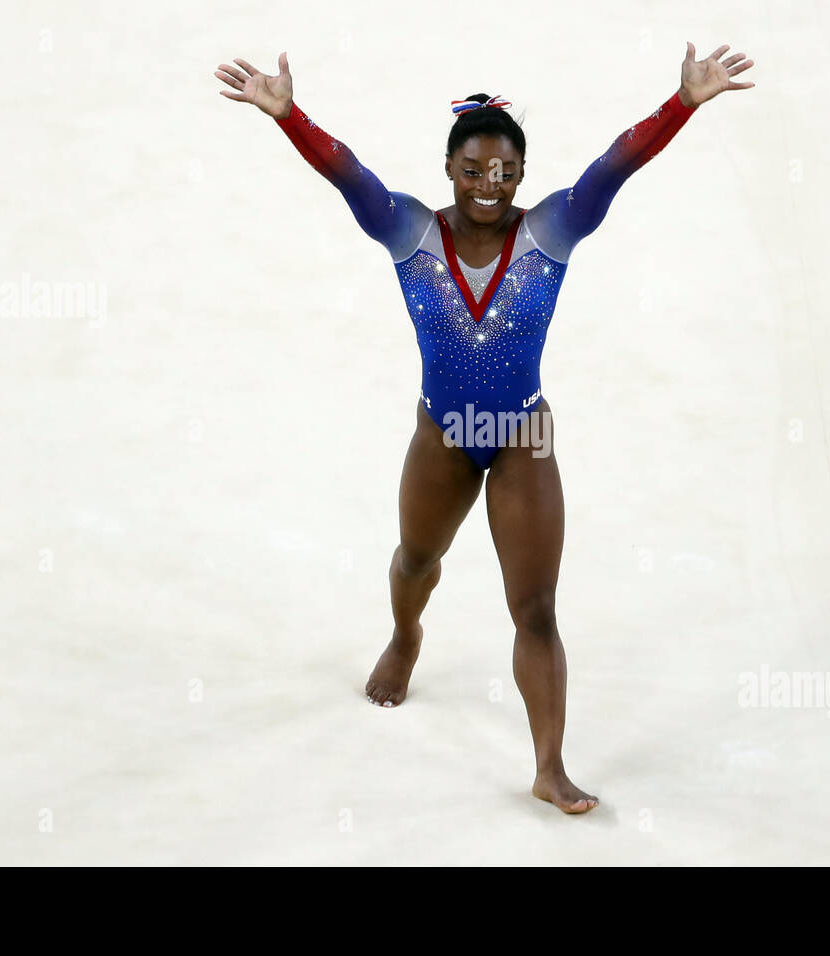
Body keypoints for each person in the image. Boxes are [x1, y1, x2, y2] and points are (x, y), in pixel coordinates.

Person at [214, 43, 755, 813]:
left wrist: (683, 104)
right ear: (449, 169)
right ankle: (406, 637)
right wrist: (288, 115)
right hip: (443, 433)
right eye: (473, 172)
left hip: (522, 436)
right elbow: (349, 174)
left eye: (503, 174)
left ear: (520, 178)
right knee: (414, 560)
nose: (488, 187)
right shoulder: (409, 232)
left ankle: (548, 766)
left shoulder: (551, 233)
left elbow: (613, 166)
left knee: (535, 608)